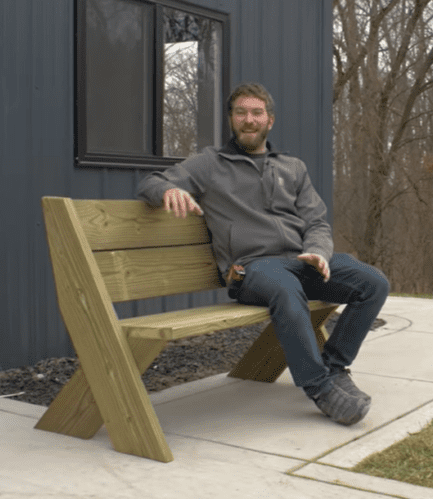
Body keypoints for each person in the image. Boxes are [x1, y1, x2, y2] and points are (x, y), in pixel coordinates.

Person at [137, 82, 389, 425]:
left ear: (270, 120)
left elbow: (316, 221)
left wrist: (317, 252)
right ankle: (321, 388)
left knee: (373, 282)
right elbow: (150, 181)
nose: (249, 120)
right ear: (231, 119)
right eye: (241, 113)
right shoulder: (211, 164)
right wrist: (167, 189)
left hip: (302, 262)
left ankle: (333, 366)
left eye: (257, 113)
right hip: (251, 269)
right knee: (285, 289)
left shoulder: (292, 168)